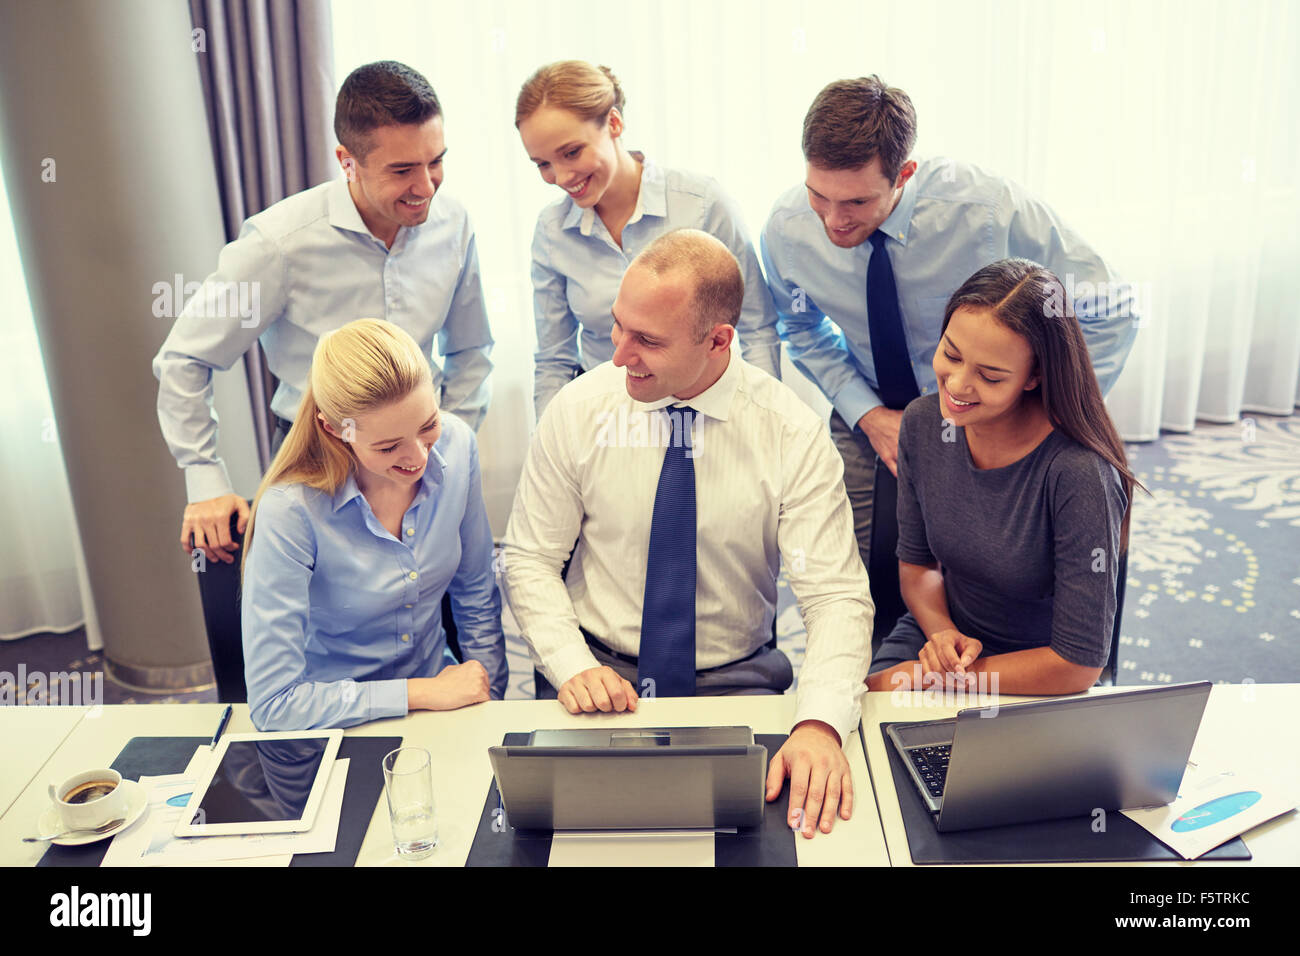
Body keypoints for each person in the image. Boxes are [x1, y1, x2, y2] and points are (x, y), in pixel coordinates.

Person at [501, 229, 874, 838]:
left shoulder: (791, 433)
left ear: (719, 340)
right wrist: (571, 666)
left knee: (785, 843)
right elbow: (529, 559)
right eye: (619, 326)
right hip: (596, 676)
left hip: (736, 685)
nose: (619, 355)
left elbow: (834, 597)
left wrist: (820, 723)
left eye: (647, 340)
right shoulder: (578, 409)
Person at [762, 75, 1138, 567]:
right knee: (851, 570)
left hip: (988, 412)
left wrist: (1044, 413)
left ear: (904, 173)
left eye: (856, 202)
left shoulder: (986, 210)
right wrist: (868, 415)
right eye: (818, 195)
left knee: (989, 573)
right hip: (873, 408)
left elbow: (1111, 306)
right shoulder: (787, 230)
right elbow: (801, 329)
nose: (833, 220)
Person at [154, 60, 494, 567]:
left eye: (436, 161)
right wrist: (204, 477)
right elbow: (185, 359)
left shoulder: (454, 222)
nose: (426, 186)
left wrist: (444, 443)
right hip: (318, 457)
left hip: (424, 449)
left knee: (439, 604)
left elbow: (471, 349)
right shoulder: (278, 244)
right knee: (321, 626)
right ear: (347, 160)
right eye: (402, 170)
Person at [865, 259, 1137, 695]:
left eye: (990, 376)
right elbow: (917, 565)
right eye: (951, 354)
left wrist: (944, 680)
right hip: (943, 638)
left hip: (1037, 670)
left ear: (1035, 377)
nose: (956, 384)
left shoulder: (1079, 472)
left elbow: (1077, 664)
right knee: (860, 715)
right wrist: (940, 635)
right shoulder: (922, 423)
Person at [240, 319, 507, 731]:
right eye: (388, 446)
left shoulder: (458, 444)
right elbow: (275, 703)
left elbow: (475, 592)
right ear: (333, 429)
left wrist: (489, 700)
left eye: (428, 426)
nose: (418, 457)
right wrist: (418, 692)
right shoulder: (290, 511)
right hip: (332, 727)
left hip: (441, 709)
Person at [515, 60, 781, 418]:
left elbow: (756, 327)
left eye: (571, 152)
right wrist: (546, 445)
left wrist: (763, 424)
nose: (560, 176)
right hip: (610, 418)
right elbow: (554, 358)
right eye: (542, 164)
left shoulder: (702, 204)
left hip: (709, 411)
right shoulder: (552, 230)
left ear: (613, 123)